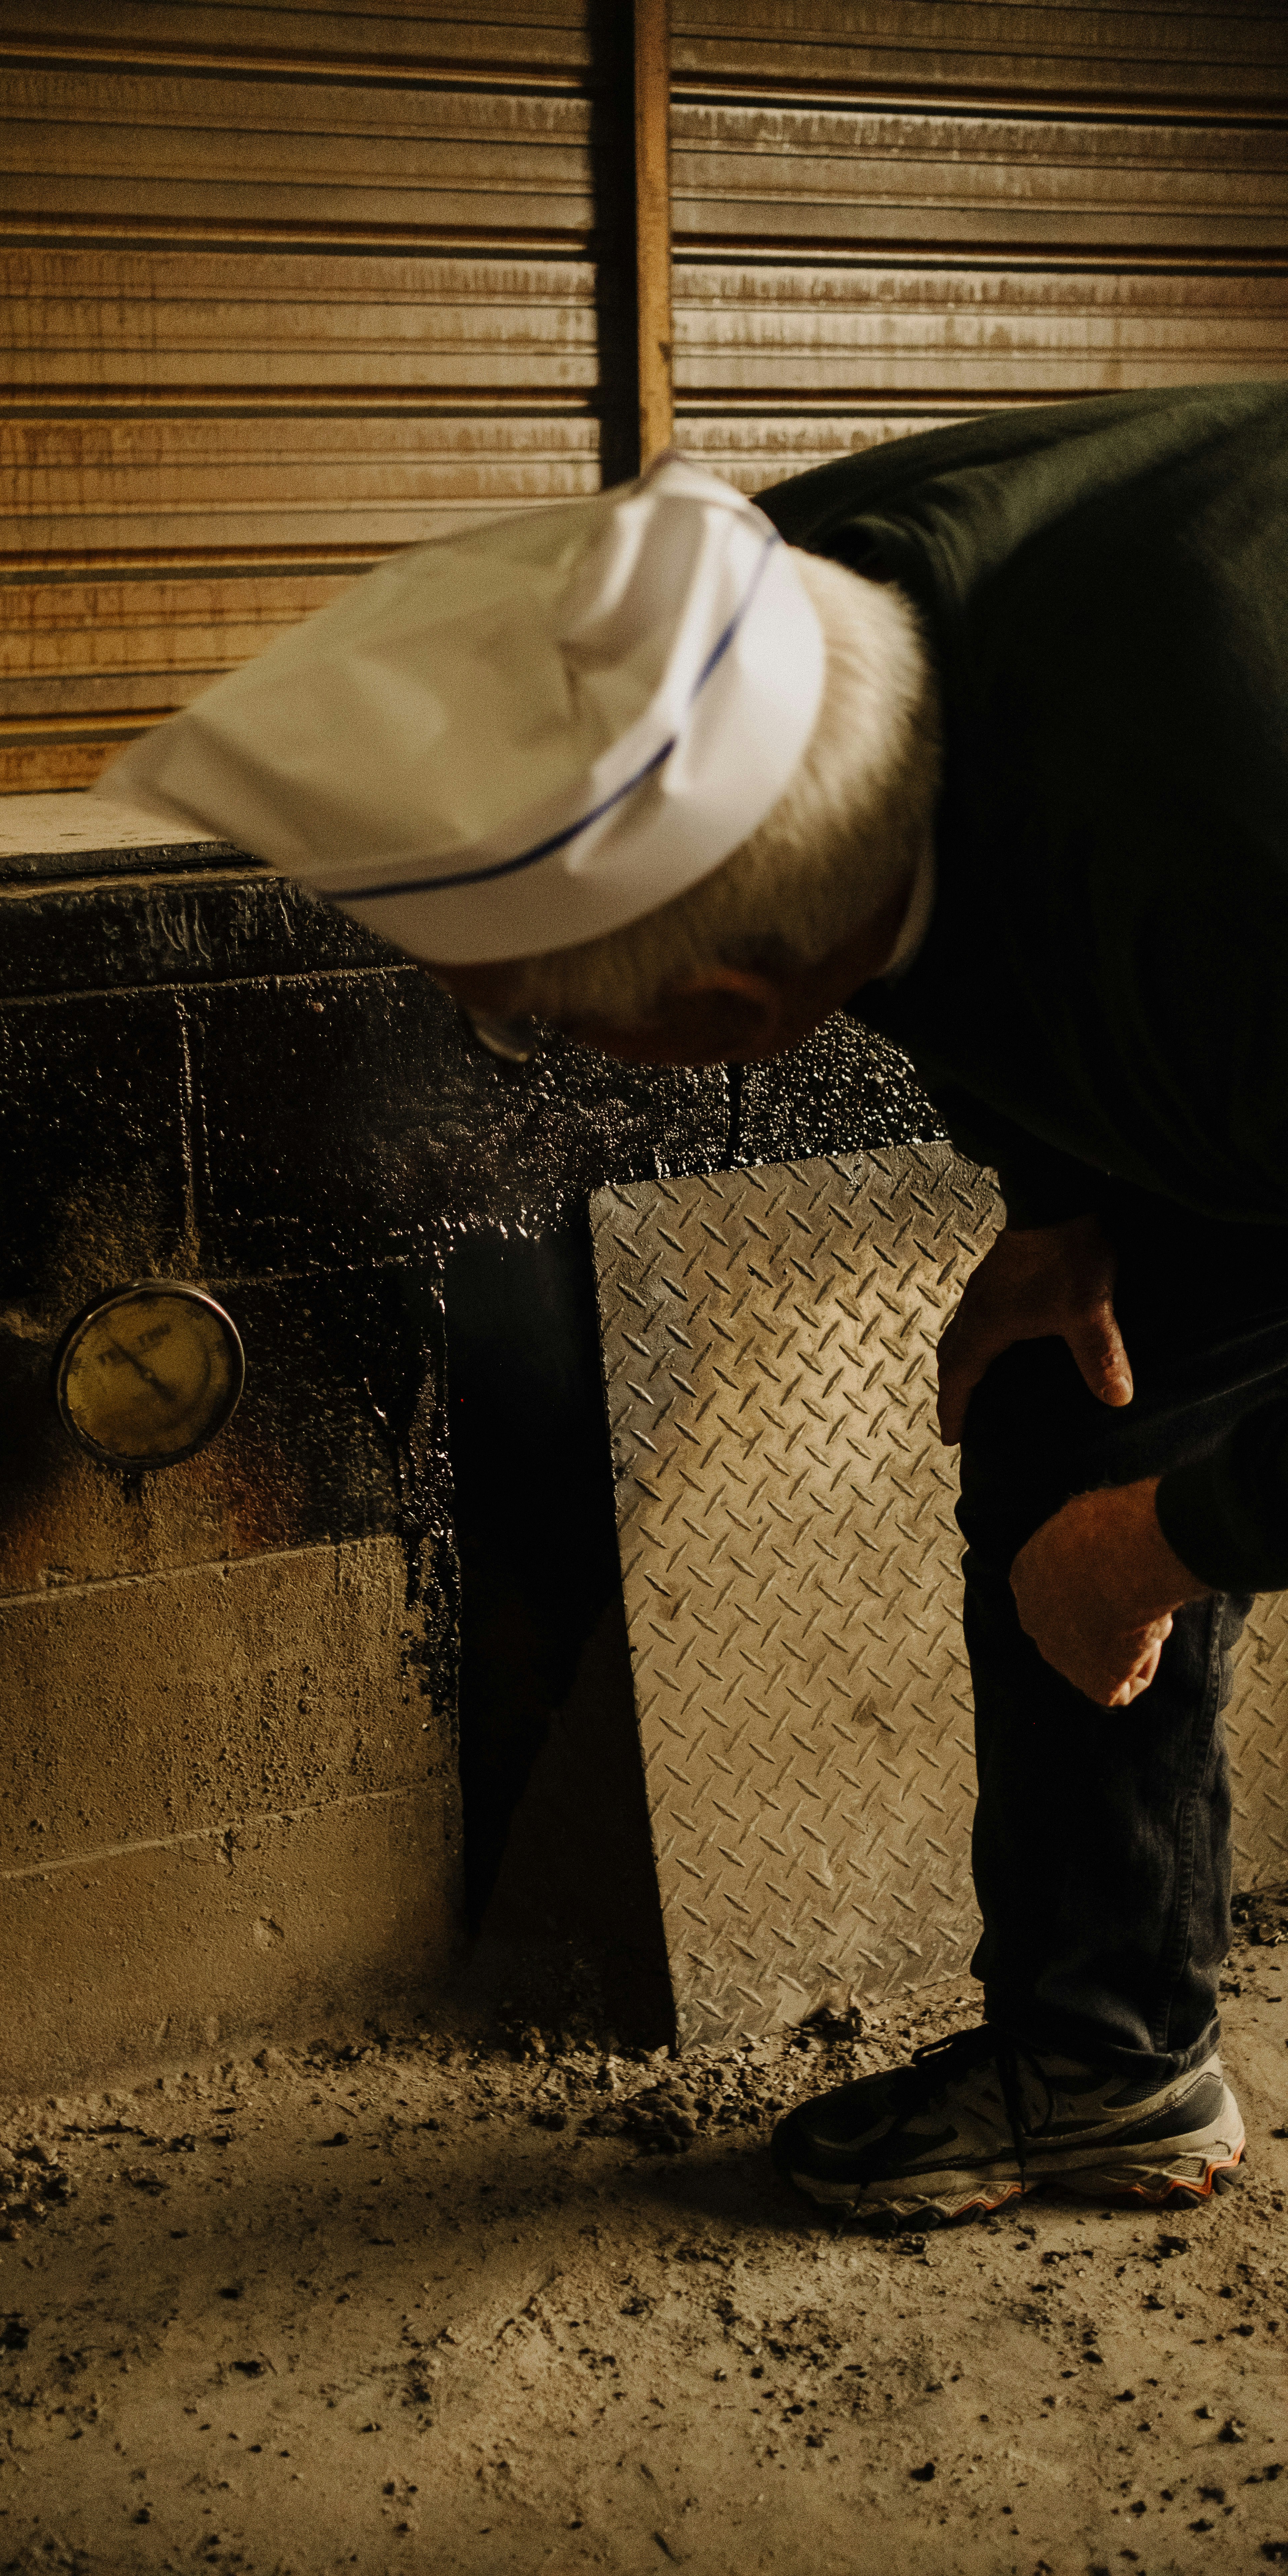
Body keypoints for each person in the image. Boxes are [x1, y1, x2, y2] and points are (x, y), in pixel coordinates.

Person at [101, 381, 1288, 2221]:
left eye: (526, 1016)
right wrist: (1059, 1204)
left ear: (731, 1015)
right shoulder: (778, 607)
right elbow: (939, 914)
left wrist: (1180, 1538)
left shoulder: (1224, 886)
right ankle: (1106, 2063)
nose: (496, 1041)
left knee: (1130, 1521)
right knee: (1072, 1420)